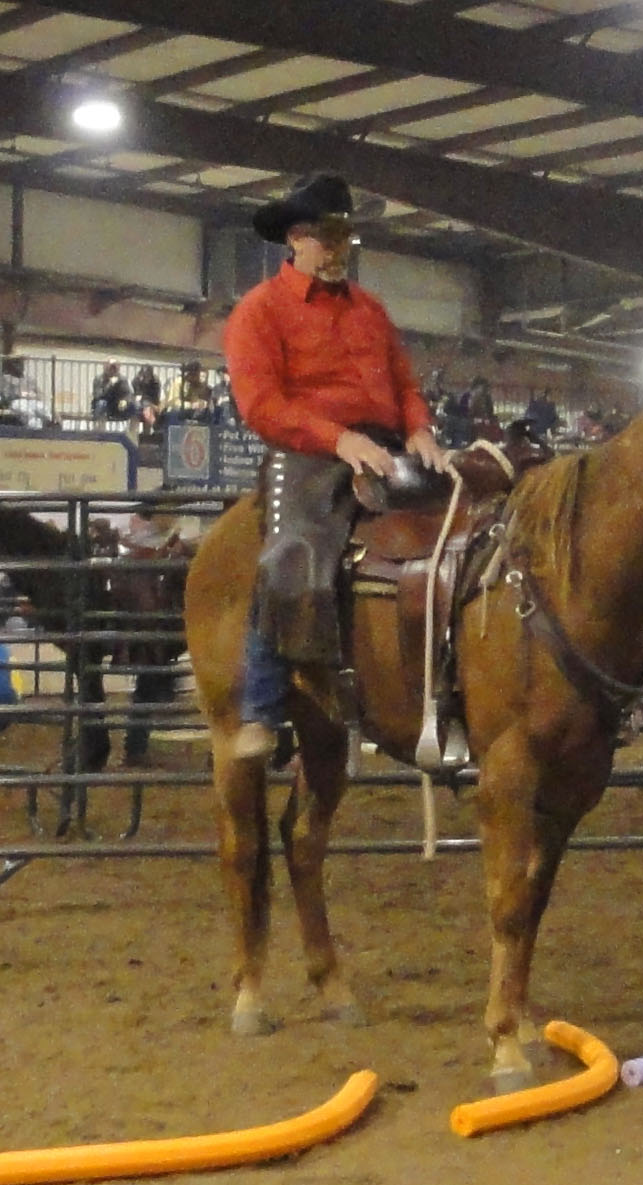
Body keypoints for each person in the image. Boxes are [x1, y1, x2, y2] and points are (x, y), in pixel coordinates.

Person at [224, 171, 447, 759]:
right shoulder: (259, 311)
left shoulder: (370, 310)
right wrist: (339, 439)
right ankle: (262, 704)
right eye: (326, 237)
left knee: (460, 526)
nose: (337, 249)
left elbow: (403, 382)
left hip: (385, 446)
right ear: (296, 238)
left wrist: (420, 426)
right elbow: (262, 404)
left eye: (344, 237)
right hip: (308, 451)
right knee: (295, 548)